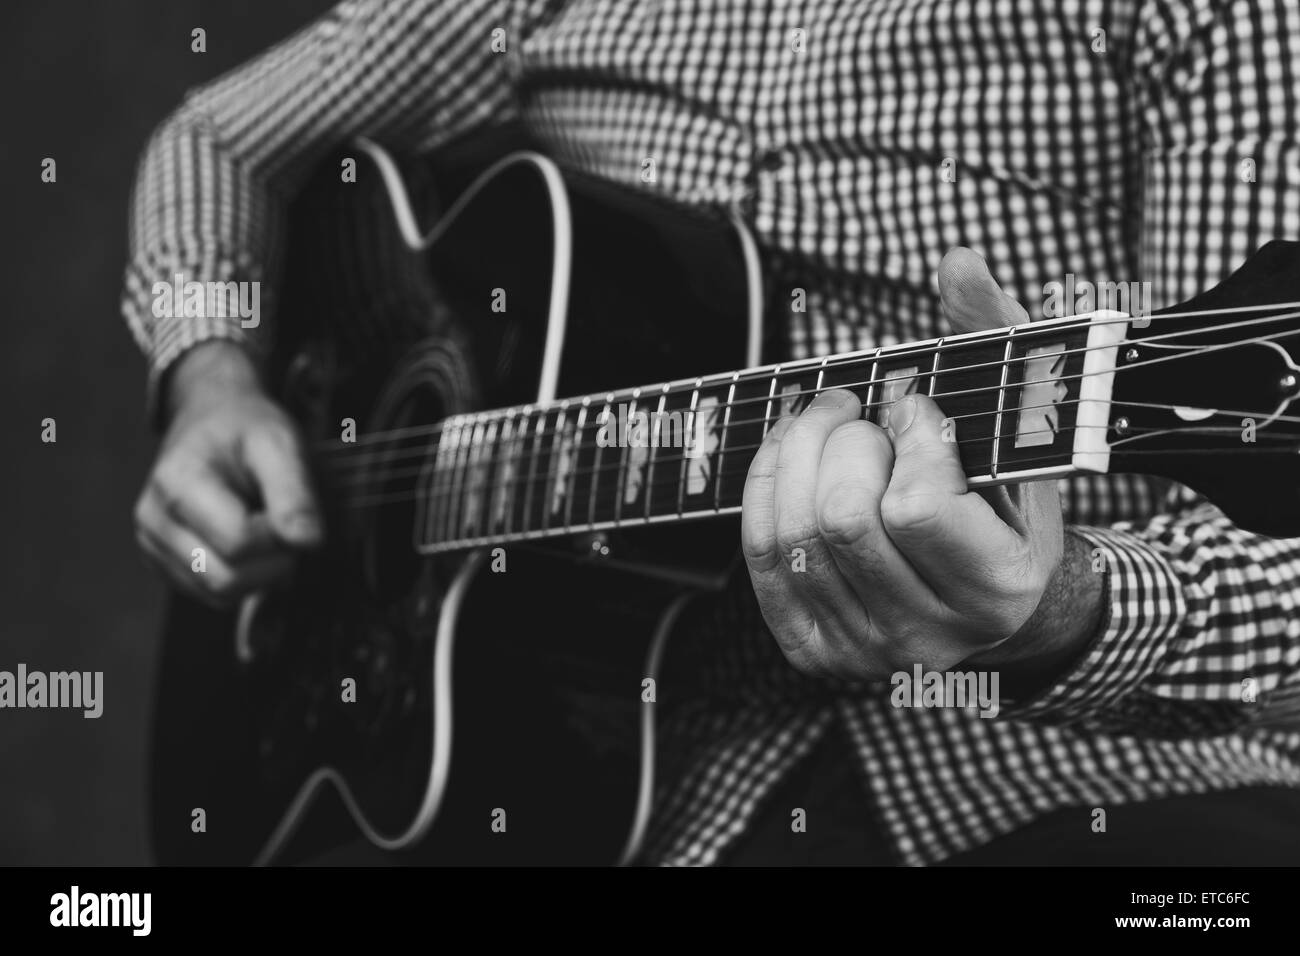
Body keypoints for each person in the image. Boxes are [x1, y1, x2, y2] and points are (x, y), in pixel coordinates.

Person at [124, 0, 1300, 865]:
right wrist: (209, 379)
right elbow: (216, 144)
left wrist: (1059, 610)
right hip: (569, 760)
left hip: (1065, 772)